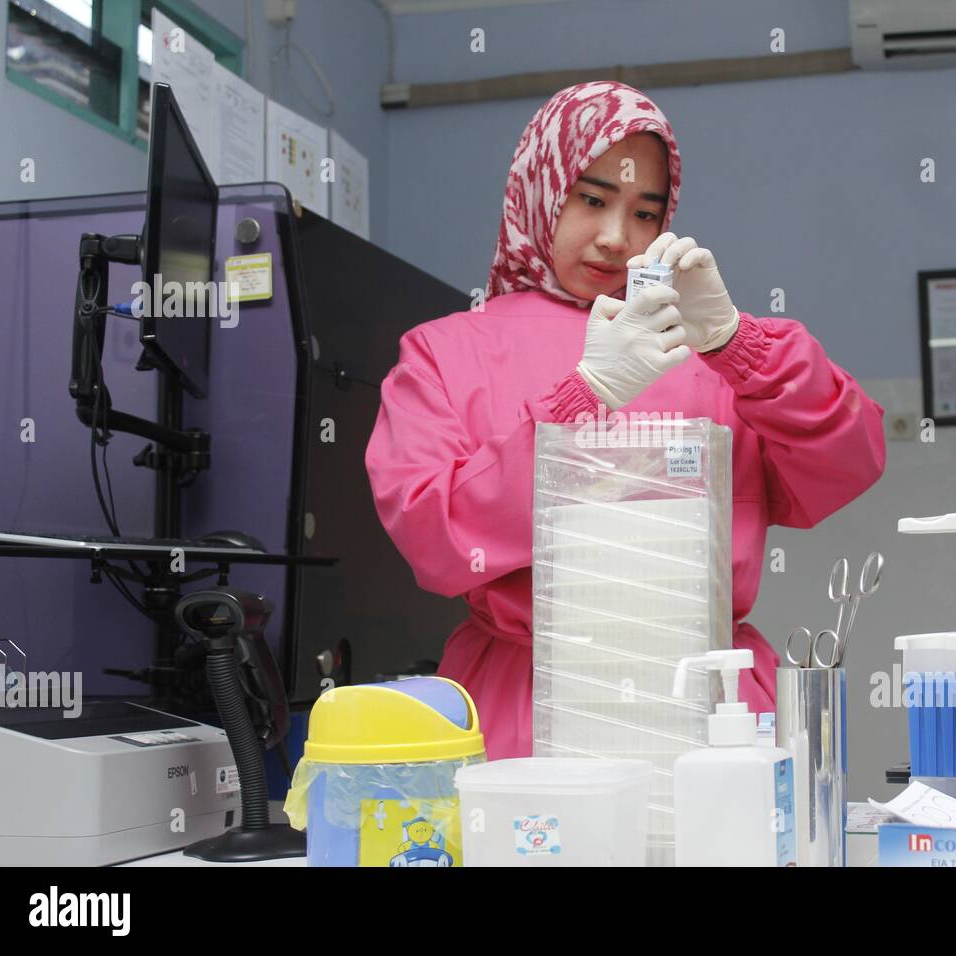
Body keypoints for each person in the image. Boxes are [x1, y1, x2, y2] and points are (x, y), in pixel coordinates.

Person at [366, 80, 886, 759]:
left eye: (645, 213)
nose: (616, 239)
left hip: (711, 706)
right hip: (530, 710)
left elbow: (848, 460)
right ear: (539, 188)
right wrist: (580, 400)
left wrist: (738, 343)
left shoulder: (706, 354)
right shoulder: (446, 353)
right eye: (590, 199)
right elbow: (432, 537)